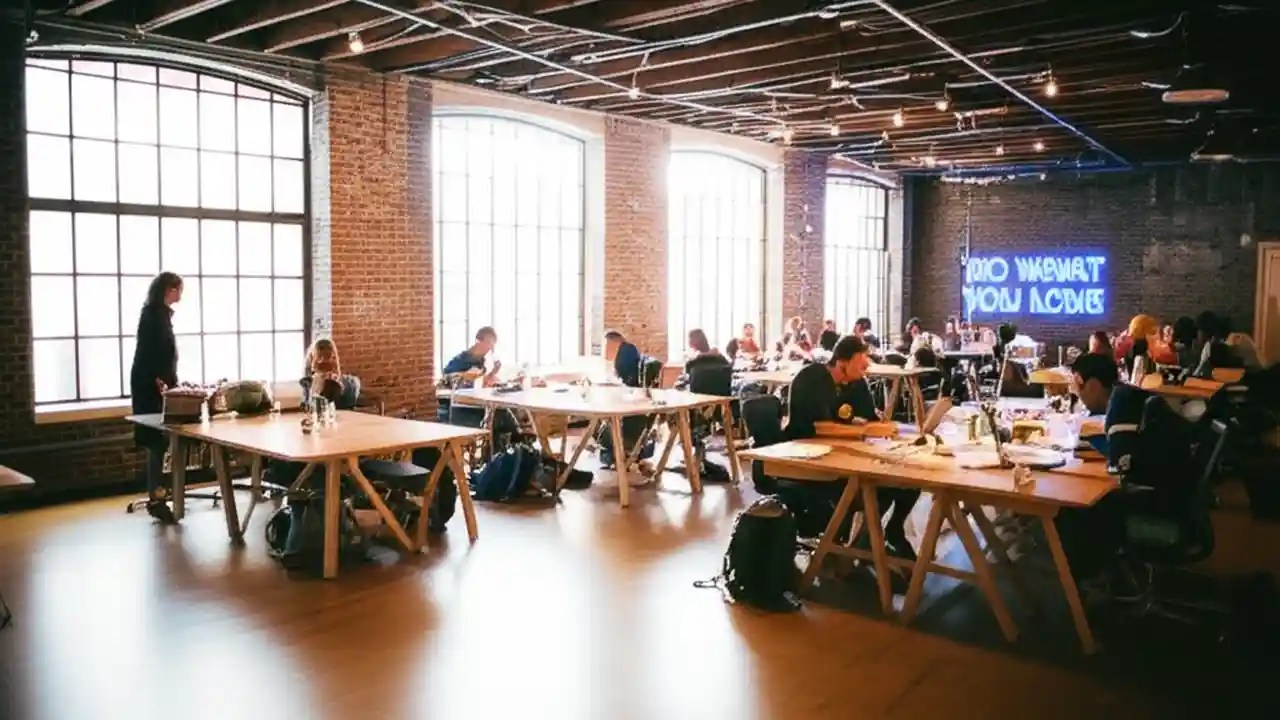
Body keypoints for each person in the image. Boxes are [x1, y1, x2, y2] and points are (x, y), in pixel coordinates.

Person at [130, 272, 183, 524]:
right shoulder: (153, 315)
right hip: (150, 385)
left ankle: (161, 494)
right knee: (155, 441)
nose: (180, 295)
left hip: (160, 382)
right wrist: (158, 380)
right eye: (178, 290)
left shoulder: (160, 315)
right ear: (168, 290)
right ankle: (156, 498)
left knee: (161, 442)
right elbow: (151, 352)